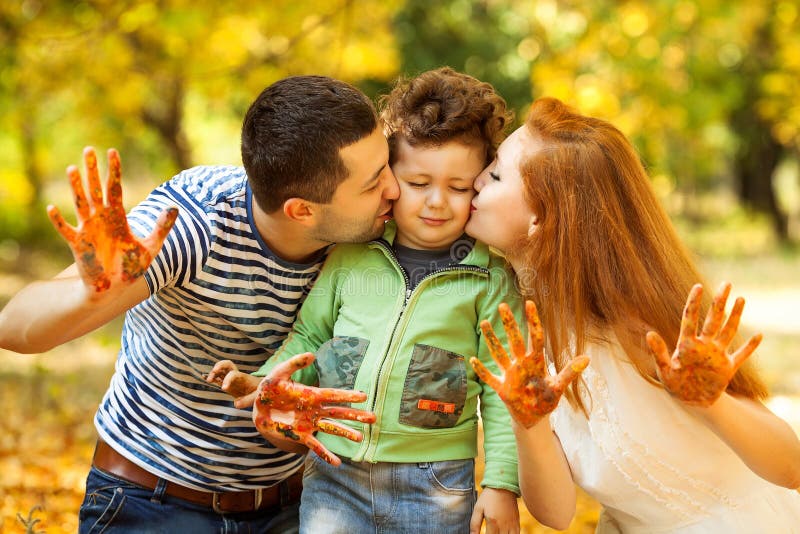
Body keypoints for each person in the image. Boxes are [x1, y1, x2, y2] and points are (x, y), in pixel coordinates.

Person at [0, 75, 398, 533]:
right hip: (154, 503)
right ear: (301, 210)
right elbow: (15, 327)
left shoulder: (369, 232)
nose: (394, 188)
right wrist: (91, 292)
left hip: (293, 506)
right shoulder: (194, 223)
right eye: (373, 184)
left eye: (387, 166)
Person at [208, 67, 522, 534]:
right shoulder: (350, 255)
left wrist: (501, 484)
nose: (437, 201)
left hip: (435, 483)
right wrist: (263, 380)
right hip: (336, 470)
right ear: (391, 176)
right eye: (417, 183)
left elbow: (505, 390)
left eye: (458, 187)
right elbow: (310, 335)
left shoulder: (489, 279)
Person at [465, 96, 800, 532]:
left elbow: (790, 468)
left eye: (494, 175)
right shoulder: (526, 336)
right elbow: (557, 514)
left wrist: (711, 404)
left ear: (541, 220)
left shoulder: (641, 329)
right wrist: (528, 424)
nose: (474, 182)